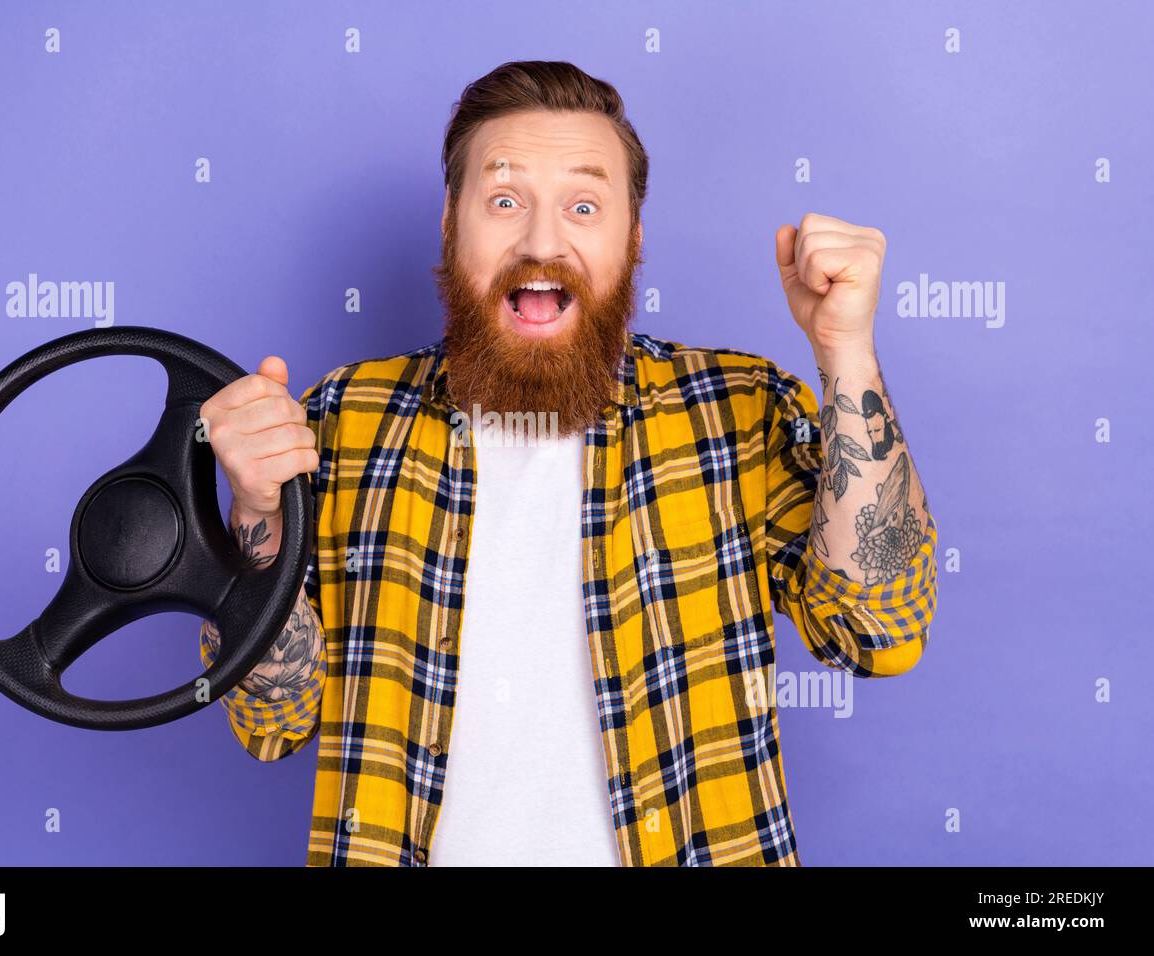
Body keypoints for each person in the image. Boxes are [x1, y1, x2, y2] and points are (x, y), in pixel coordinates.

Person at [196, 60, 938, 867]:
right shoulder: (344, 419)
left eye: (584, 205)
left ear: (635, 237)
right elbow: (272, 722)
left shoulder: (739, 410)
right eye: (505, 201)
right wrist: (255, 515)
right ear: (451, 224)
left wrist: (845, 352)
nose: (543, 242)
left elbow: (878, 632)